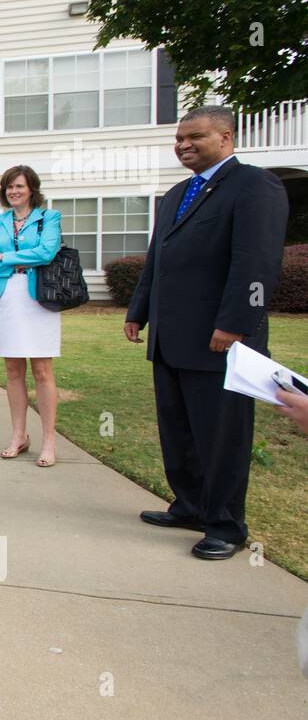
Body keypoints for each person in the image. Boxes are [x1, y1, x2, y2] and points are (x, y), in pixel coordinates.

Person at [125, 105, 289, 560]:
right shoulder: (177, 193)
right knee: (177, 429)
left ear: (226, 138)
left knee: (221, 436)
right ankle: (190, 505)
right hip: (171, 338)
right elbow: (157, 260)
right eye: (179, 138)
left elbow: (256, 263)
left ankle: (225, 526)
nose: (183, 145)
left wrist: (235, 324)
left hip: (221, 340)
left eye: (194, 137)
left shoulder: (255, 186)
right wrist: (138, 311)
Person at [0, 165, 64, 467]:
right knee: (13, 370)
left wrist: (6, 258)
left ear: (32, 189)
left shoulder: (49, 218)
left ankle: (49, 441)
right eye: (9, 187)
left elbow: (46, 253)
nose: (13, 192)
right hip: (8, 298)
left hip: (38, 298)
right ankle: (19, 436)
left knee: (41, 370)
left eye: (19, 186)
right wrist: (11, 263)